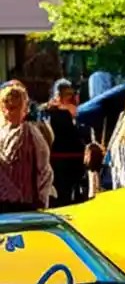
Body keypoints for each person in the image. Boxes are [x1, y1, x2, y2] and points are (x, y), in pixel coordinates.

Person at [0, 81, 54, 212]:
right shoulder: (2, 132)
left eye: (15, 107)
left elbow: (44, 168)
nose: (10, 113)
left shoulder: (31, 133)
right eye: (8, 108)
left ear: (24, 109)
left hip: (26, 202)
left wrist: (42, 198)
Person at [43, 78, 88, 206]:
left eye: (74, 94)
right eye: (68, 95)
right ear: (58, 97)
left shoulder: (78, 116)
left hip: (74, 169)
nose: (73, 98)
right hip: (61, 169)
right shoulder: (54, 115)